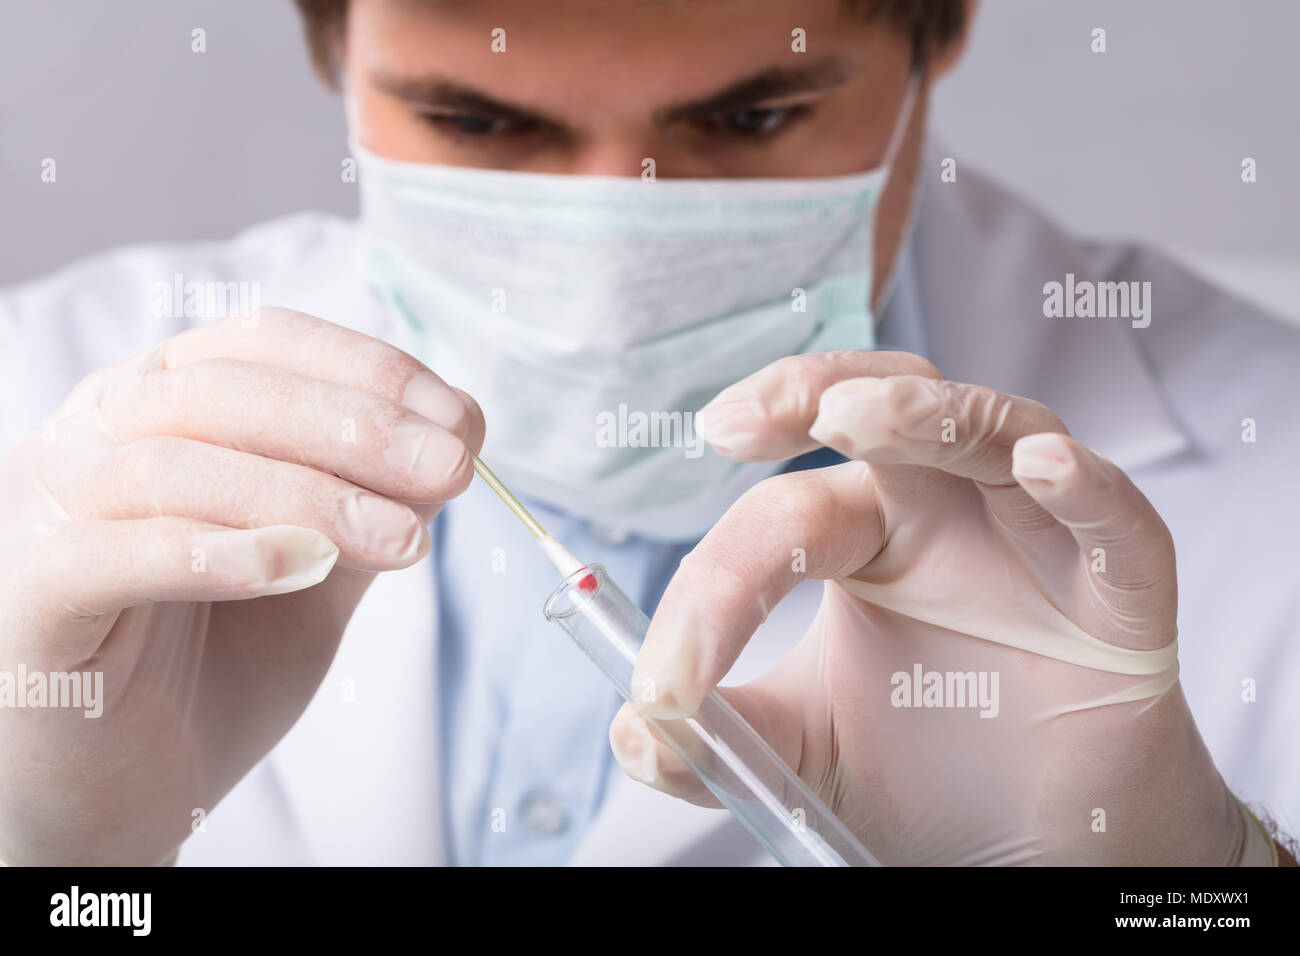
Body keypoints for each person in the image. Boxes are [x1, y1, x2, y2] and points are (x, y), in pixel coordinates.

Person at [0, 0, 1295, 867]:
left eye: (749, 119)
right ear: (335, 52)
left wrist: (1190, 880)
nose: (615, 252)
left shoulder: (1270, 471)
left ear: (938, 34)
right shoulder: (39, 384)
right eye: (477, 120)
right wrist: (58, 866)